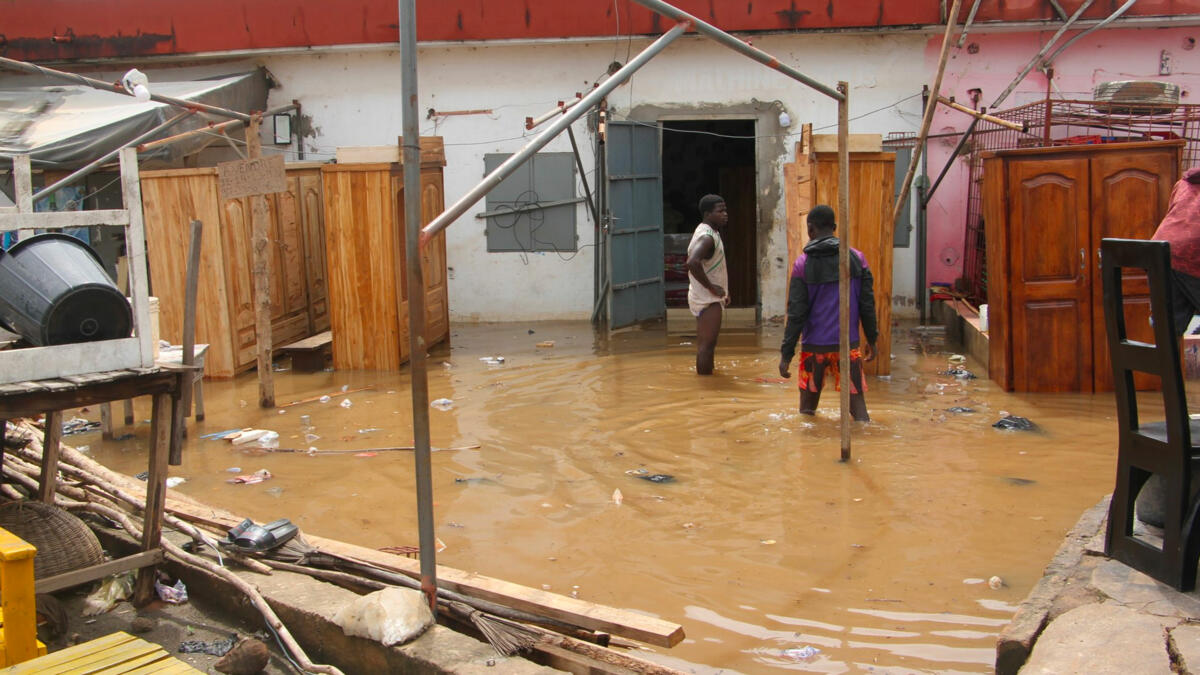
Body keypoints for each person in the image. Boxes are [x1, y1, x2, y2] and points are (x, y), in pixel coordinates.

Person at [778, 205, 878, 421]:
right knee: (860, 415)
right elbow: (867, 306)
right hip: (847, 347)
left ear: (810, 229)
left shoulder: (802, 265)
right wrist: (873, 339)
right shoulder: (857, 259)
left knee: (806, 414)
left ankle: (809, 452)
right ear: (834, 228)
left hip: (815, 349)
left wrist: (787, 354)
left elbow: (796, 314)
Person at [1152, 167, 1200, 336]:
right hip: (1193, 256)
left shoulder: (1184, 183)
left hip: (1161, 252)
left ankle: (1164, 361)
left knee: (1168, 330)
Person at [686, 194, 730, 375]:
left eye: (725, 210)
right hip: (707, 299)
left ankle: (709, 378)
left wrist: (725, 292)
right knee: (706, 346)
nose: (725, 214)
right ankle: (706, 388)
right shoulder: (707, 237)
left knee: (709, 345)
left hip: (708, 296)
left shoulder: (712, 233)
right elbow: (692, 262)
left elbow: (714, 266)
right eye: (720, 211)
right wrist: (713, 288)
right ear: (707, 214)